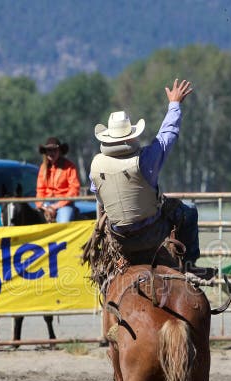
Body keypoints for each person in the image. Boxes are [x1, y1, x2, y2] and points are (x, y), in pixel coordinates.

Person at [89, 78, 211, 278]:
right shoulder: (145, 159)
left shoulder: (96, 165)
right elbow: (167, 135)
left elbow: (100, 199)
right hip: (151, 232)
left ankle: (106, 276)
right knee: (189, 210)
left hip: (119, 237)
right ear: (131, 136)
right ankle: (189, 264)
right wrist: (174, 104)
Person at [36, 137, 81, 223]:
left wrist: (56, 206)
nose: (51, 153)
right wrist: (41, 205)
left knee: (63, 222)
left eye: (54, 150)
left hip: (65, 204)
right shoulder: (43, 168)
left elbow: (74, 189)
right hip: (46, 203)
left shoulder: (69, 167)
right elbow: (40, 190)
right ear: (45, 152)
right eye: (49, 150)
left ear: (59, 151)